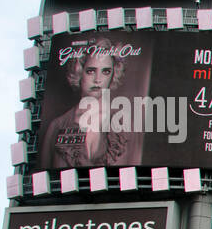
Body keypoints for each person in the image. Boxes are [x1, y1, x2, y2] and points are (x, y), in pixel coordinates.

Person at [39, 35, 144, 170]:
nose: (98, 80)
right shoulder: (56, 127)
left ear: (113, 75)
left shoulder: (127, 128)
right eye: (91, 71)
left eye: (106, 72)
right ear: (79, 72)